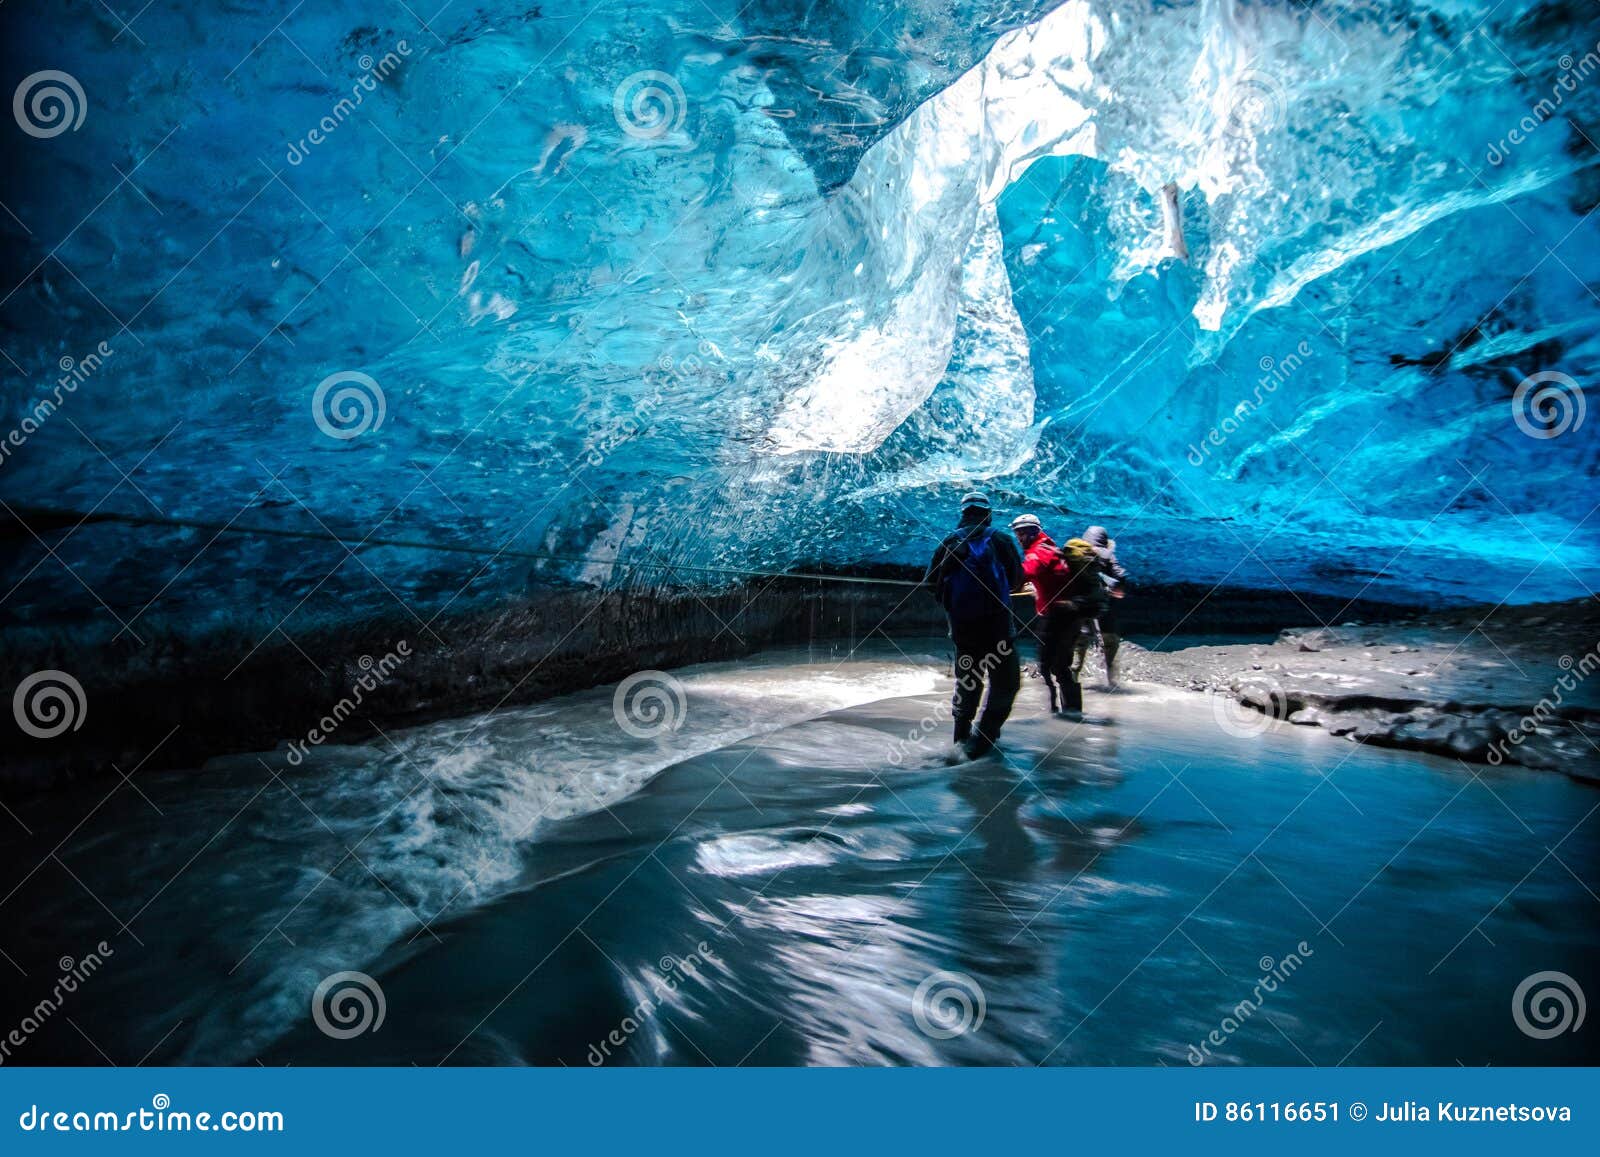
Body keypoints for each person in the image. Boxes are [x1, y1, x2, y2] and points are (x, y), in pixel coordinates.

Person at [925, 491, 1023, 758]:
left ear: (964, 513)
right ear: (987, 514)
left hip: (963, 630)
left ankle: (960, 741)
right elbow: (1017, 579)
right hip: (999, 629)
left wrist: (955, 606)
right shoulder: (1000, 539)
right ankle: (984, 740)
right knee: (1006, 683)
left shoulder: (948, 542)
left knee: (968, 682)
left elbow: (930, 583)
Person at [1010, 514, 1095, 716]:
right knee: (1060, 666)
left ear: (1032, 532)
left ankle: (1058, 712)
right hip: (1071, 615)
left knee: (1048, 666)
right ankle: (1071, 710)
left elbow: (1021, 575)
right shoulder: (1052, 547)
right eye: (1017, 533)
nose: (1019, 538)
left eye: (1021, 533)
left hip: (1056, 617)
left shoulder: (1037, 553)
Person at [1074, 525, 1129, 688]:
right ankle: (1112, 683)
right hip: (1104, 608)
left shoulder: (1076, 556)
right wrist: (1116, 589)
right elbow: (1121, 576)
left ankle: (1072, 685)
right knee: (1110, 642)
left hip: (1081, 609)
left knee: (1079, 645)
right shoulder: (1109, 558)